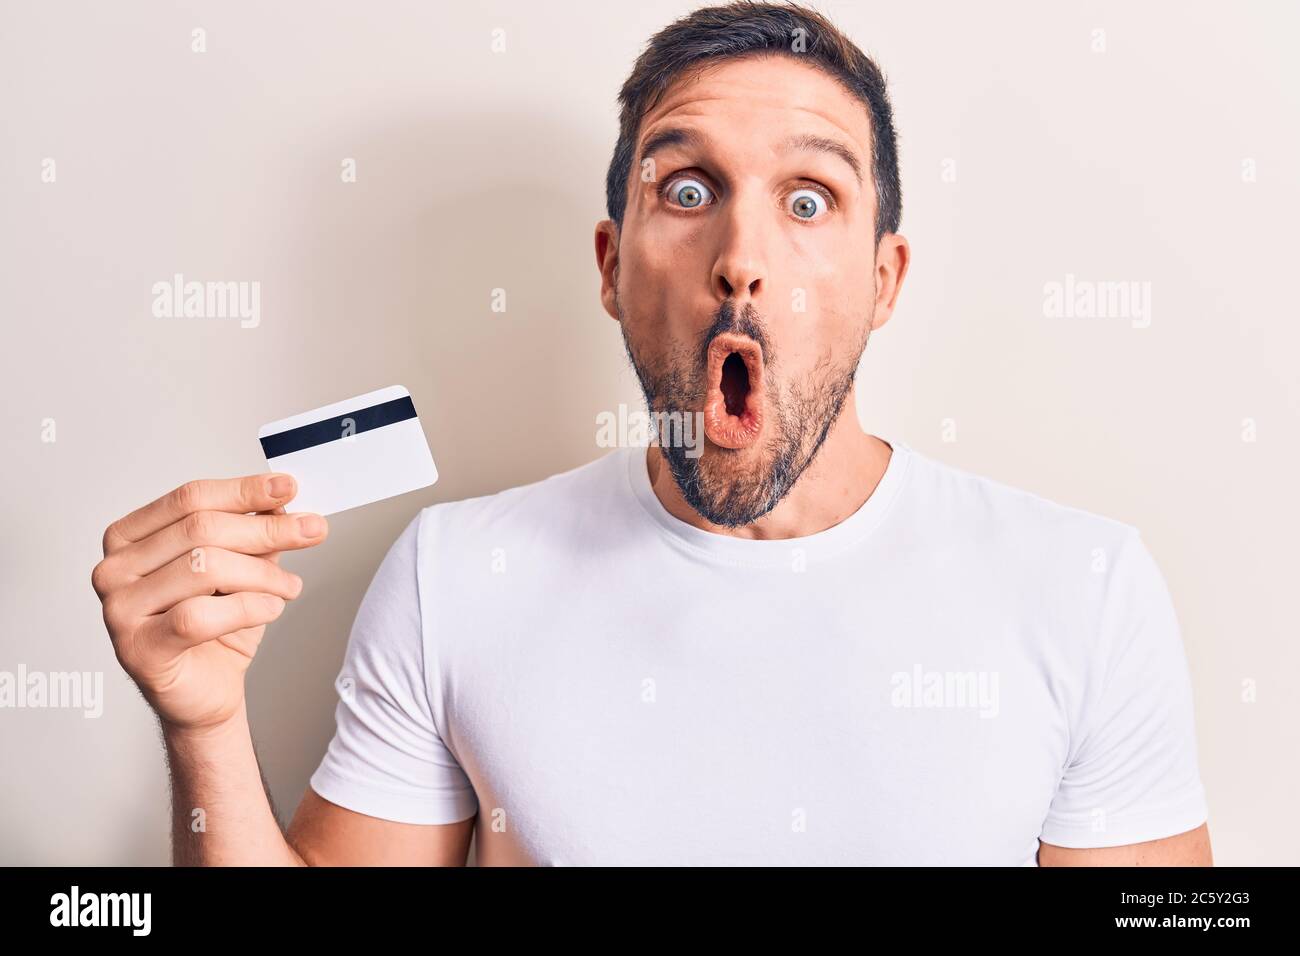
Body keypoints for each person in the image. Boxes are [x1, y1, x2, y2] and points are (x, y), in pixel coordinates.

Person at [91, 1, 1211, 865]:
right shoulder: (456, 575)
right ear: (611, 268)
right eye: (685, 189)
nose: (741, 255)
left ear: (883, 280)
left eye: (809, 196)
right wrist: (204, 724)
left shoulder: (1084, 587)